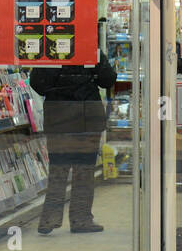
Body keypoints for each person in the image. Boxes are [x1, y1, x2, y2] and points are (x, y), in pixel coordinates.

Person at [28, 34, 116, 234]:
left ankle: (49, 219)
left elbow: (37, 84)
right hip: (87, 116)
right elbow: (108, 80)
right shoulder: (89, 47)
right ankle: (80, 219)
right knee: (84, 171)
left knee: (58, 169)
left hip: (60, 116)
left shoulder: (50, 49)